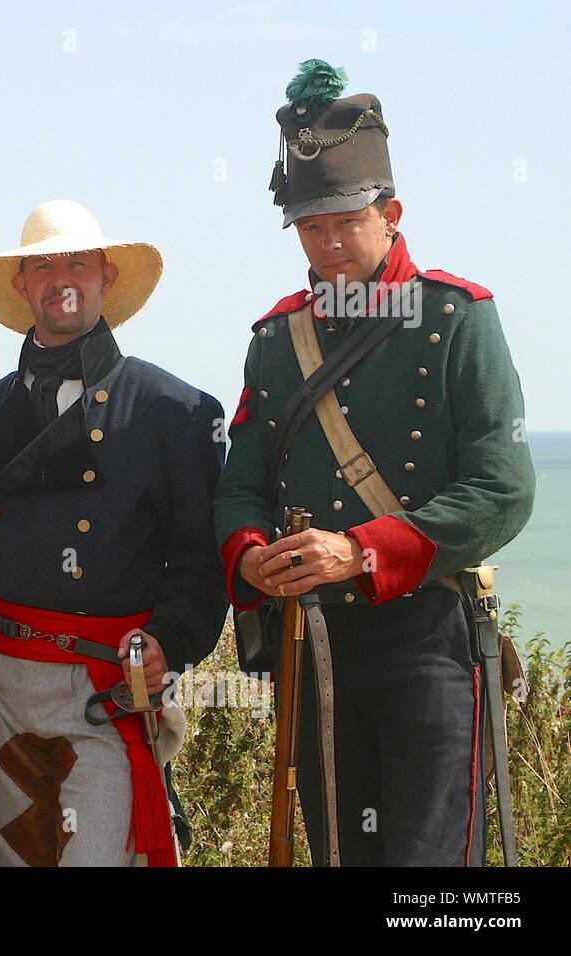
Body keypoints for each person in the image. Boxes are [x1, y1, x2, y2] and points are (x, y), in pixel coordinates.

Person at [214, 59, 535, 866]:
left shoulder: (457, 317)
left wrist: (361, 550)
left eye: (344, 222)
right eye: (310, 227)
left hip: (428, 633)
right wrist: (252, 559)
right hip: (314, 637)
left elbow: (503, 487)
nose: (328, 244)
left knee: (425, 865)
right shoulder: (275, 342)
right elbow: (241, 481)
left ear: (389, 213)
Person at [0, 199, 227, 866]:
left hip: (111, 685)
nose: (61, 277)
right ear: (22, 283)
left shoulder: (176, 411)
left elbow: (199, 560)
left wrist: (169, 642)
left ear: (106, 277)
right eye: (43, 264)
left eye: (78, 262)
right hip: (7, 686)